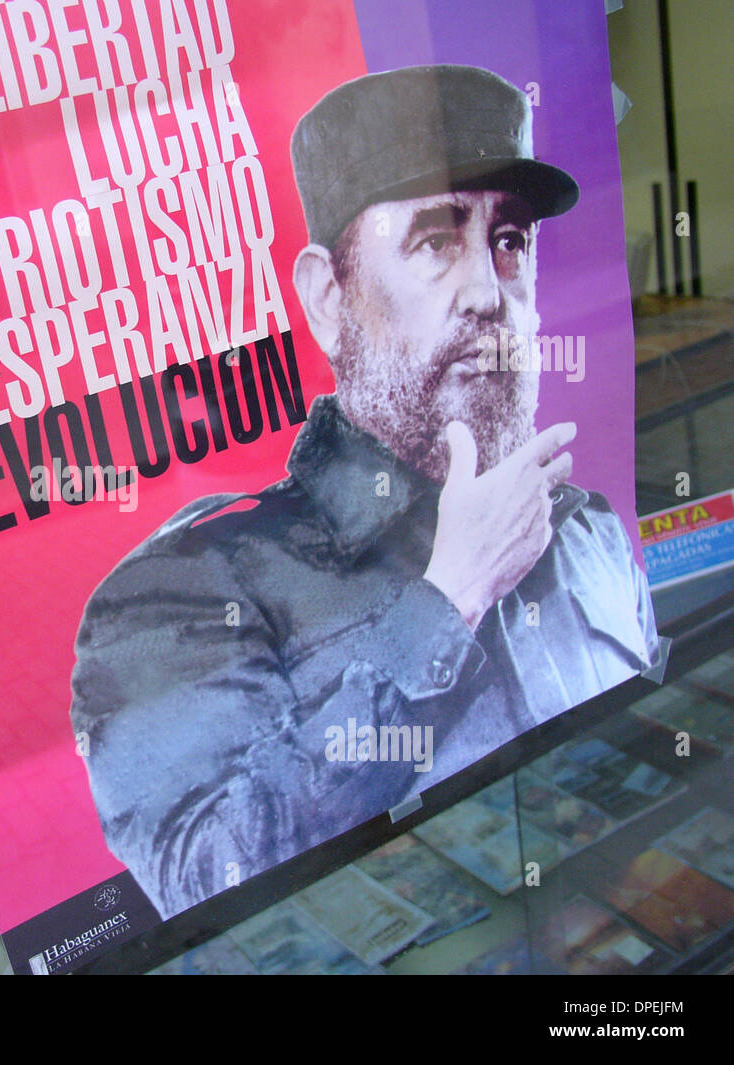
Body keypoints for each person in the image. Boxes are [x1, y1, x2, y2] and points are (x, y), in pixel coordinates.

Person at [68, 64, 660, 921]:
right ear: (327, 297)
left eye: (510, 241)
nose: (490, 293)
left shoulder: (583, 528)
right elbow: (210, 885)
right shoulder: (192, 585)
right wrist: (448, 599)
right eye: (434, 241)